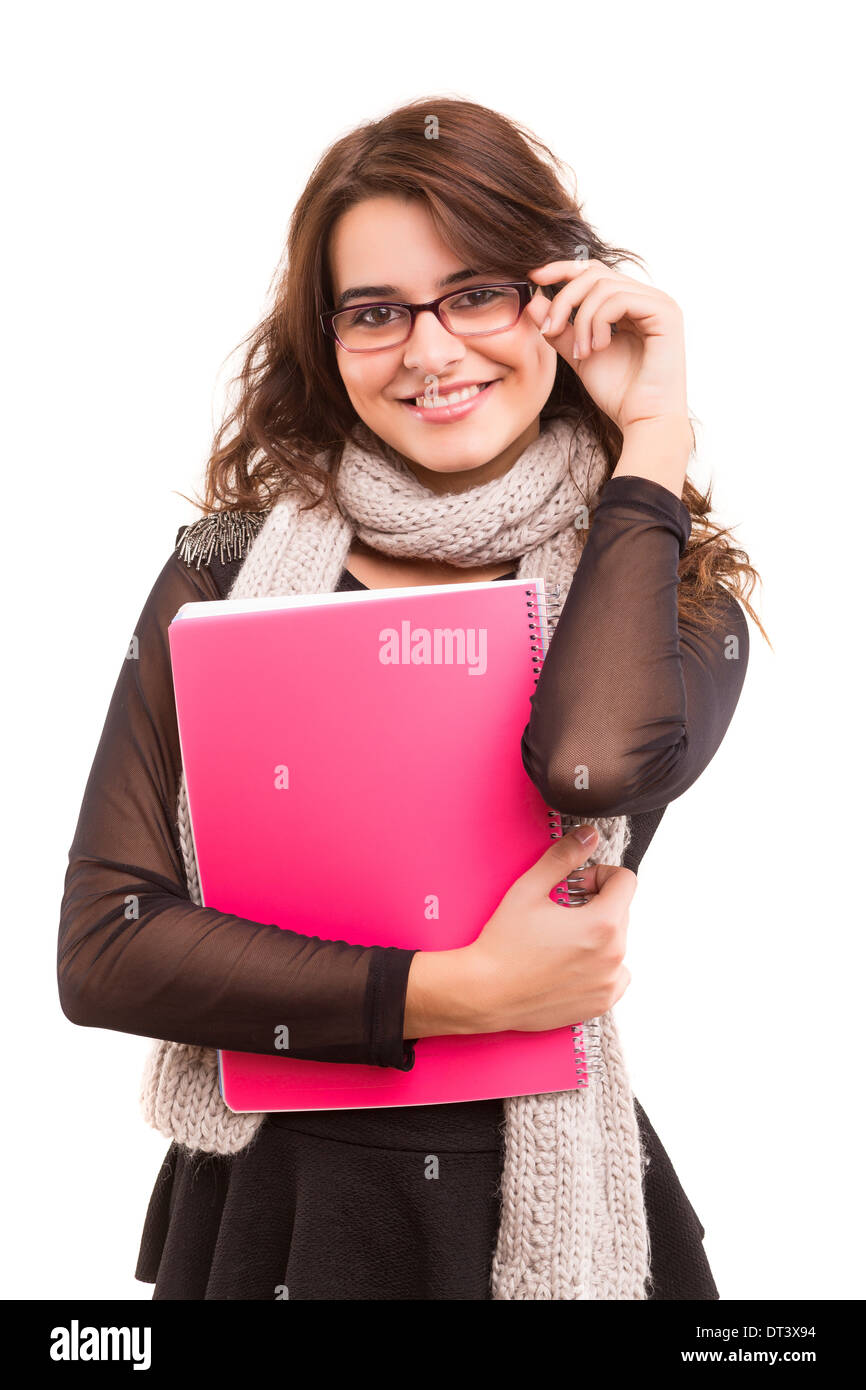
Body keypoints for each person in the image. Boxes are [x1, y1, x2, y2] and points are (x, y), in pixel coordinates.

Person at [57, 96, 767, 1301]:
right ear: (325, 340)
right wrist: (457, 992)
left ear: (559, 294)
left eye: (477, 292)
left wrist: (649, 431)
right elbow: (109, 945)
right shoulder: (225, 566)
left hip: (549, 1214)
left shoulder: (661, 579)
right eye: (375, 313)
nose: (431, 352)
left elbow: (586, 764)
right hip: (273, 1211)